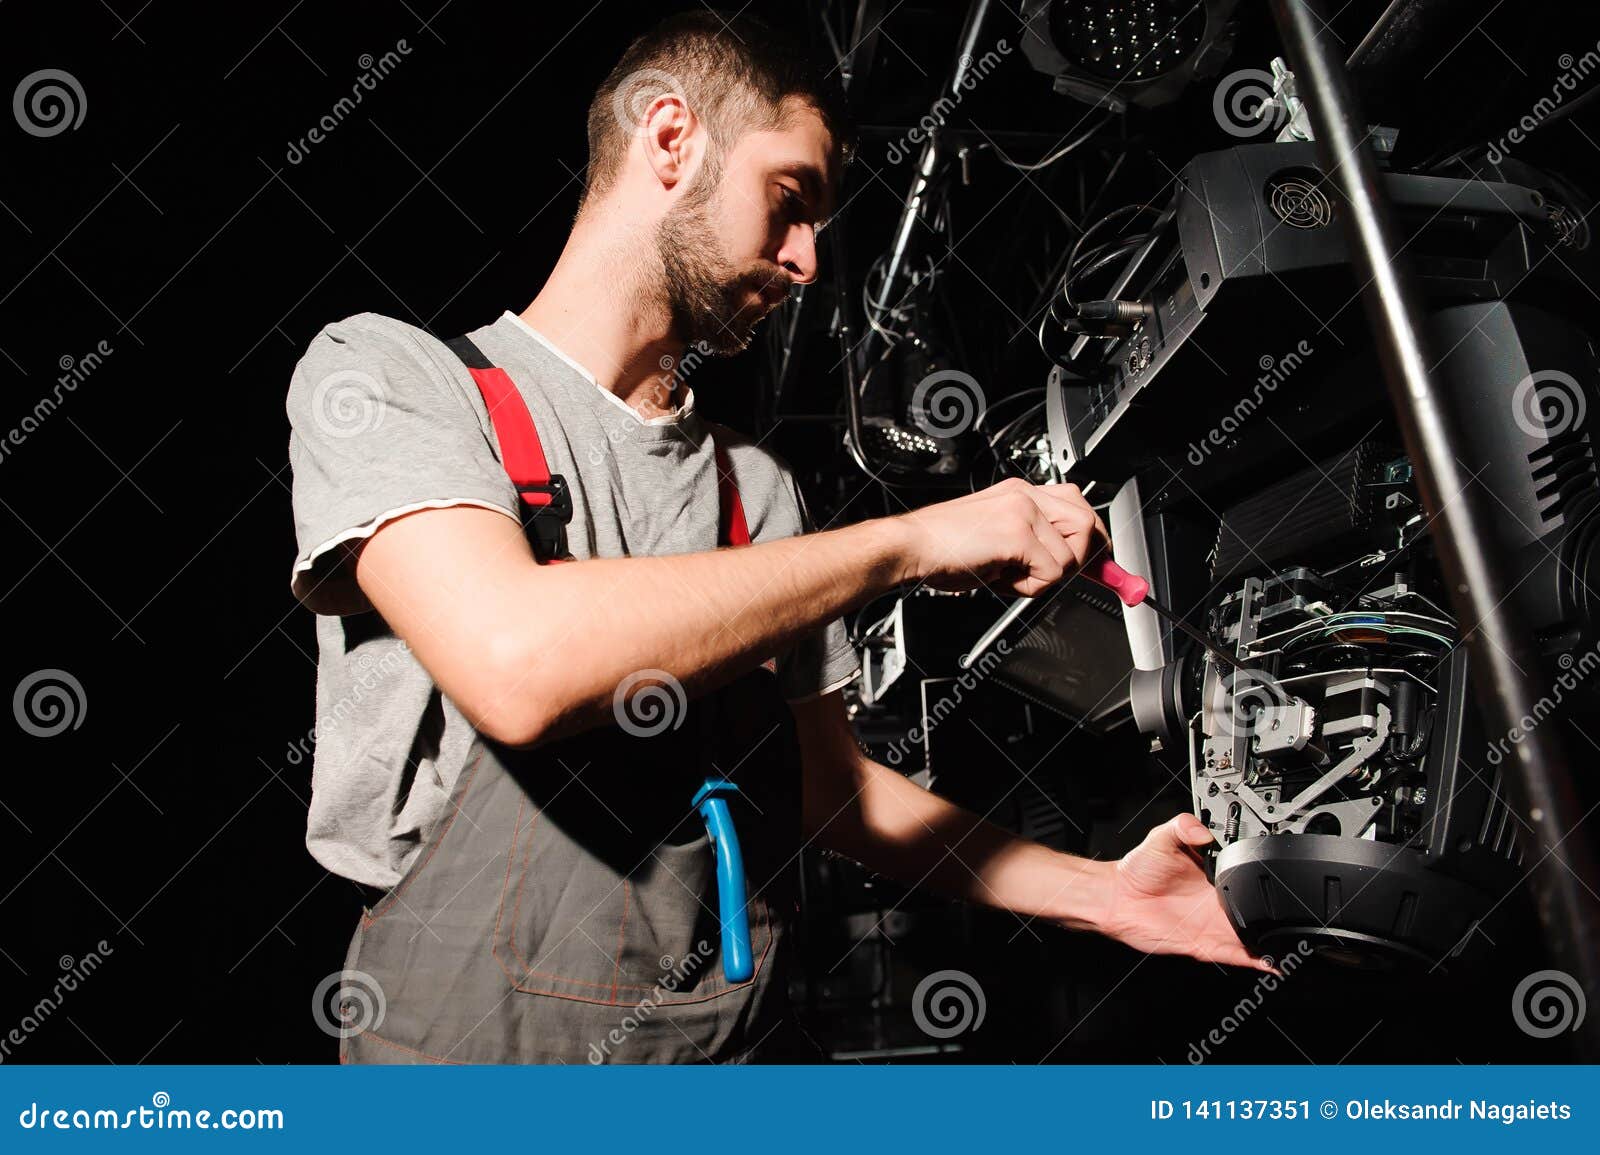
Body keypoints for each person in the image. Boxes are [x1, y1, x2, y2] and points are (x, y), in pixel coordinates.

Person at [285, 10, 1267, 1065]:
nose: (805, 261)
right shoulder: (390, 377)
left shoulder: (751, 488)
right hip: (468, 1058)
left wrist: (1106, 896)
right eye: (788, 201)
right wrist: (908, 544)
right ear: (670, 138)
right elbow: (519, 664)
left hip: (721, 1051)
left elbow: (828, 790)